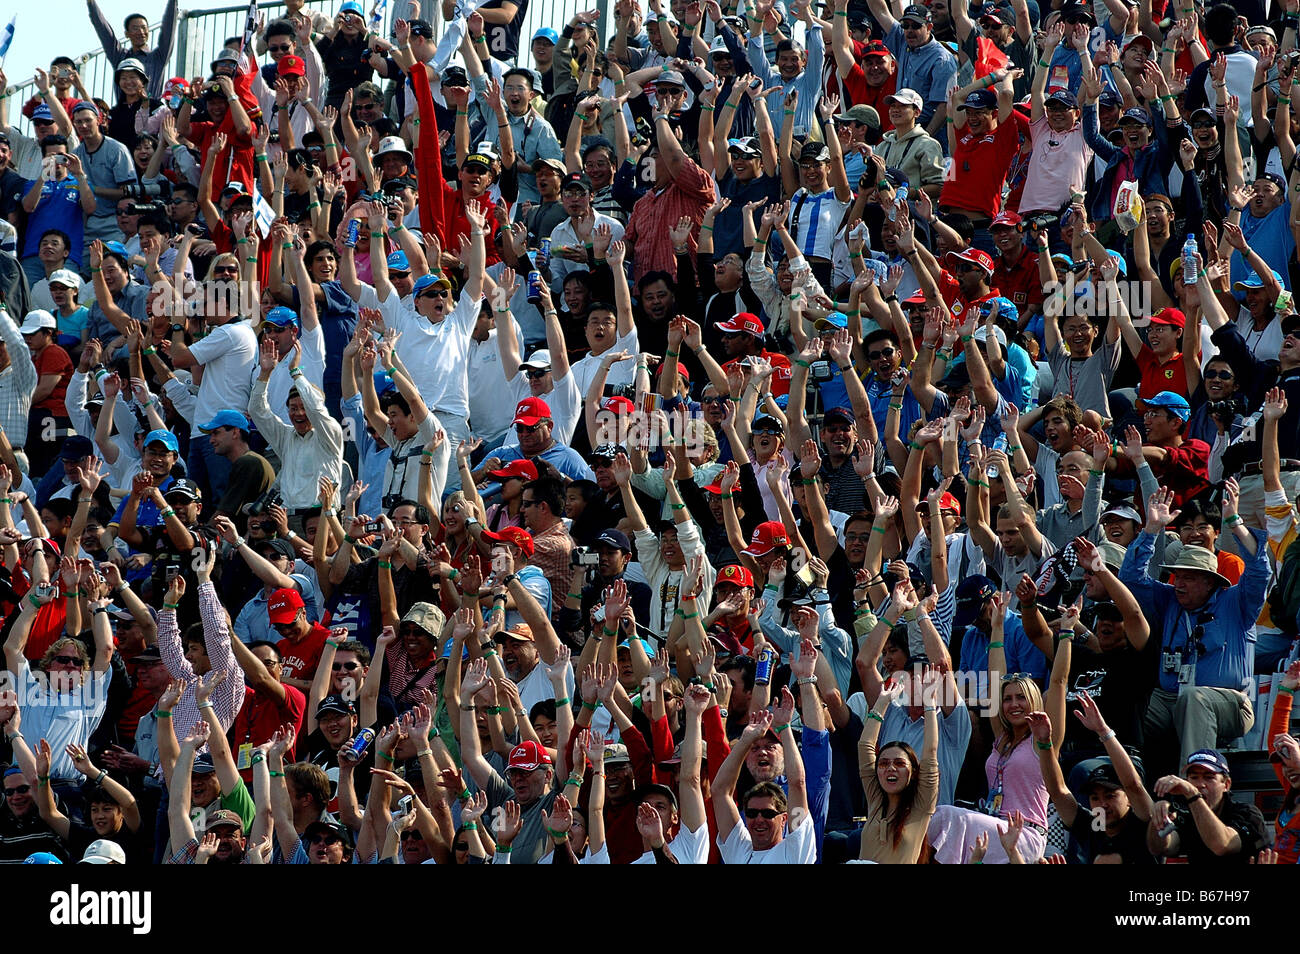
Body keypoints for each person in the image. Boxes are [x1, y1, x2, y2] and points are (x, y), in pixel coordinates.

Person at [1147, 749, 1270, 864]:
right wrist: (1158, 819)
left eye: (1209, 777)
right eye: (1194, 778)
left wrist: (1192, 794)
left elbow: (1222, 845)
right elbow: (1161, 848)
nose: (1200, 784)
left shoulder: (1247, 813)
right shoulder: (1188, 816)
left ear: (1226, 784)